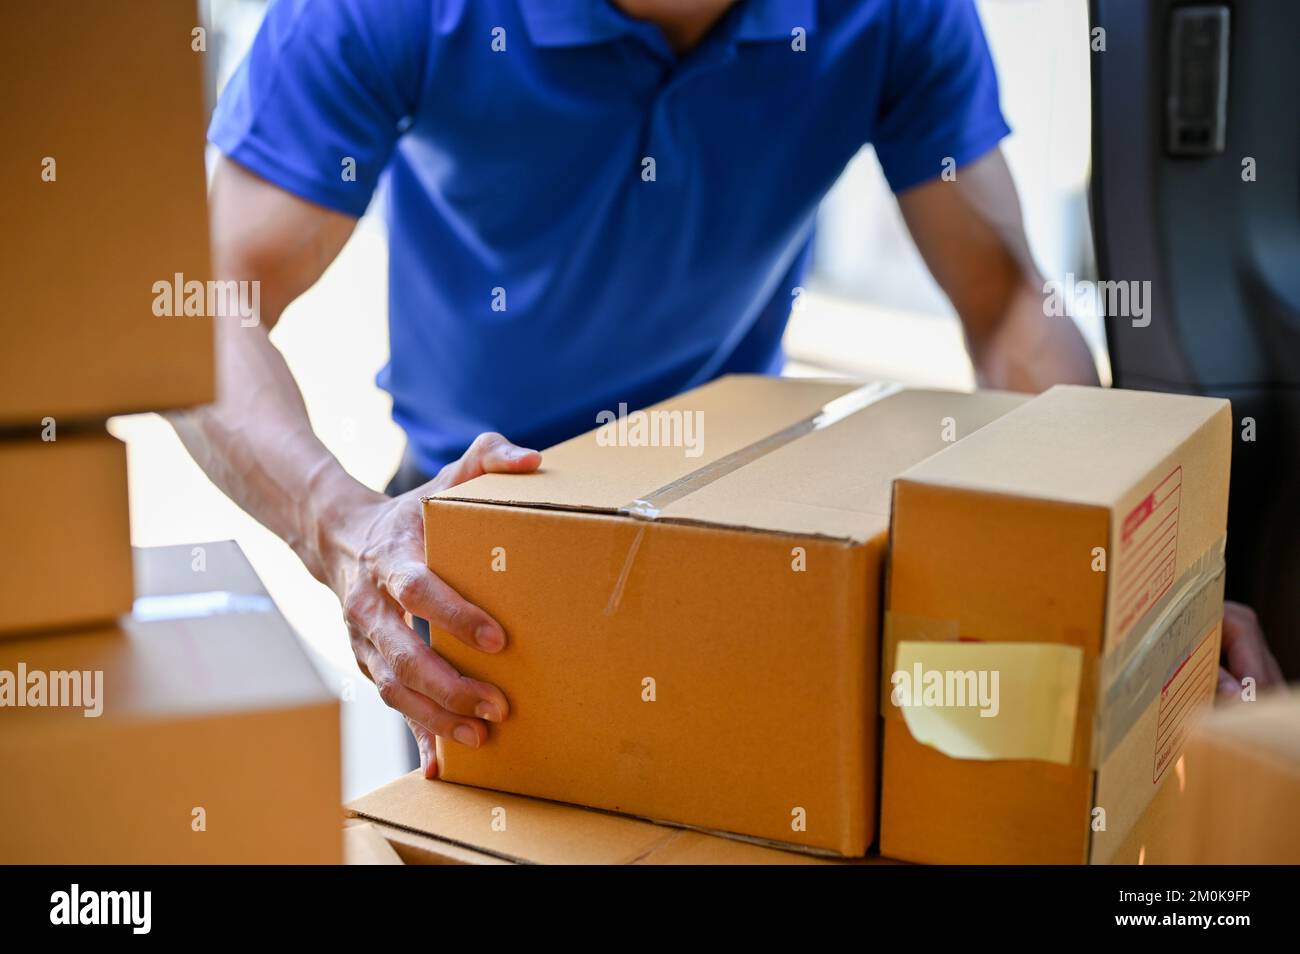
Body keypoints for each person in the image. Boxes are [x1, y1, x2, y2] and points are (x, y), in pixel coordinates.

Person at [174, 0, 1282, 777]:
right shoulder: (390, 12)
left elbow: (1002, 305)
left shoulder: (888, 14)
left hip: (732, 525)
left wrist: (1147, 578)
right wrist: (344, 529)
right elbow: (199, 305)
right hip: (470, 535)